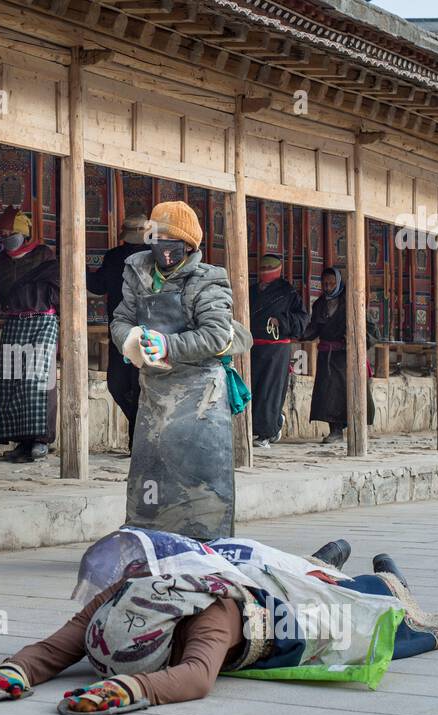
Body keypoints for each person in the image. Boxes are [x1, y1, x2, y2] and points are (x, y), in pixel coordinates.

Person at [0, 528, 438, 715]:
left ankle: (386, 576)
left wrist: (127, 690)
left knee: (375, 613)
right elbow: (56, 648)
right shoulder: (120, 595)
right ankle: (324, 558)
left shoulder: (210, 614)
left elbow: (197, 677)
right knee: (293, 570)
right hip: (252, 583)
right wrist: (9, 674)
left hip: (295, 619)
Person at [110, 201, 244, 540]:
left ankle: (204, 543)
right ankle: (147, 538)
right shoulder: (137, 272)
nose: (162, 246)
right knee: (151, 472)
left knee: (198, 478)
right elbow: (122, 318)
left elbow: (215, 334)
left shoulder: (209, 280)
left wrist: (169, 345)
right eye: (156, 236)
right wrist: (133, 341)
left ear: (188, 245)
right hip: (155, 392)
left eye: (171, 239)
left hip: (201, 394)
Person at [0, 207, 60, 462]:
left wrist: (32, 295)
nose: (7, 236)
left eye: (11, 232)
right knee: (12, 381)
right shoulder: (2, 263)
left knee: (37, 380)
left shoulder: (44, 257)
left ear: (24, 233)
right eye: (3, 233)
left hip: (42, 320)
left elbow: (56, 287)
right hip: (14, 323)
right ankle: (21, 441)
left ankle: (40, 440)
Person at [87, 215, 150, 449]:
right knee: (117, 384)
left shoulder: (154, 257)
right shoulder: (113, 257)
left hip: (146, 331)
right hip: (119, 330)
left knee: (140, 386)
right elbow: (98, 285)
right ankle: (137, 428)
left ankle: (138, 442)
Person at [301, 266, 377, 444]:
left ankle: (353, 428)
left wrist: (353, 340)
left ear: (339, 282)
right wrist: (298, 332)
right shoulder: (319, 304)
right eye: (325, 283)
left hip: (346, 356)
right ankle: (334, 431)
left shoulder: (351, 302)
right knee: (328, 394)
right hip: (326, 356)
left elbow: (371, 329)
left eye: (331, 283)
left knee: (347, 392)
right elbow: (314, 328)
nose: (328, 287)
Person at [249, 253, 309, 447]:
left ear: (278, 270)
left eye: (269, 269)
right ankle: (268, 425)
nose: (265, 273)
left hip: (276, 350)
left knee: (270, 390)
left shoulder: (288, 292)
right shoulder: (251, 291)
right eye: (262, 269)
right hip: (253, 347)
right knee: (254, 389)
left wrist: (280, 321)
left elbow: (302, 319)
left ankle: (266, 433)